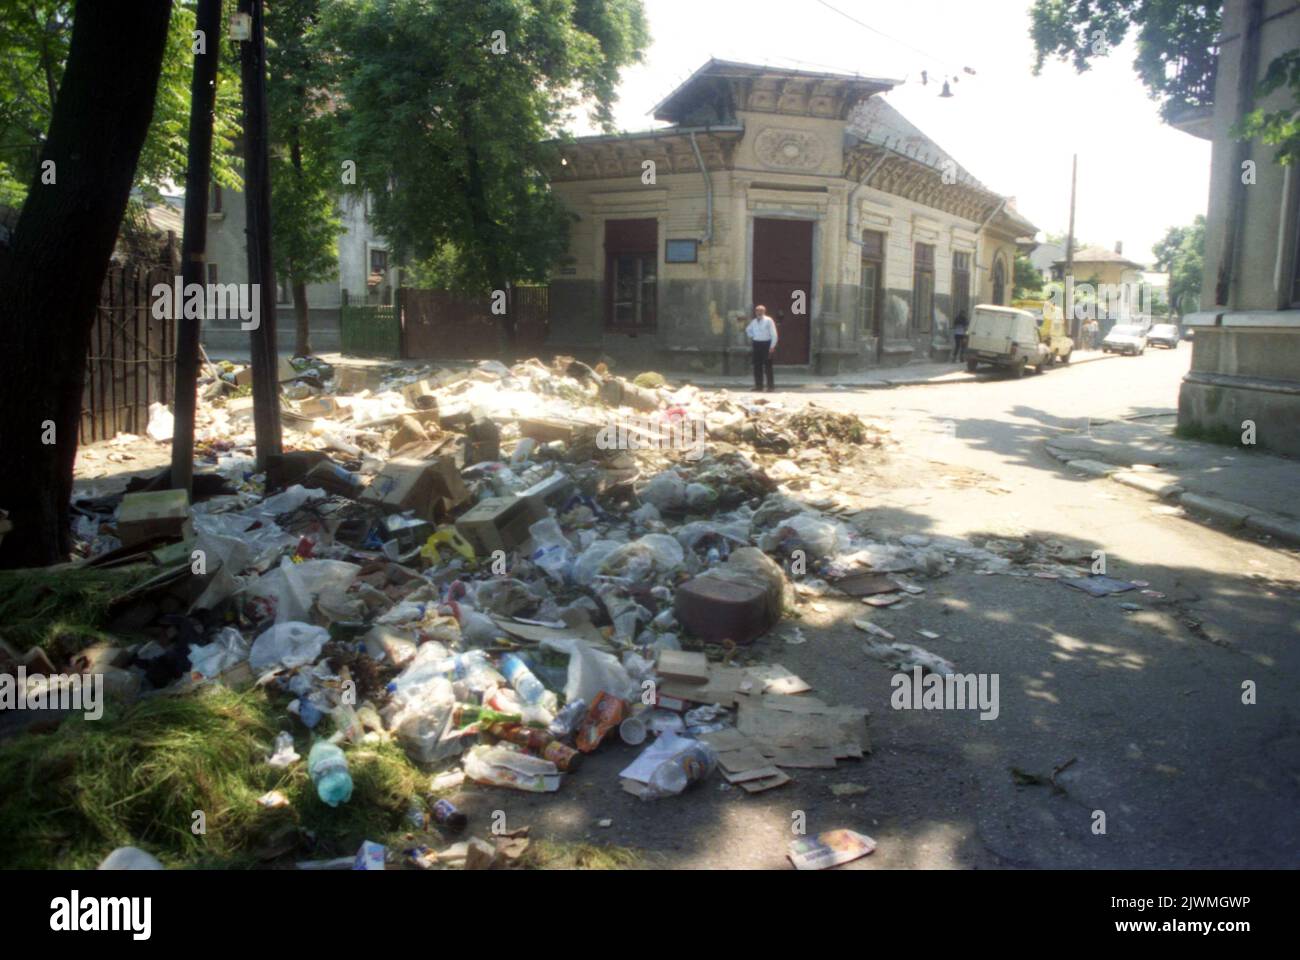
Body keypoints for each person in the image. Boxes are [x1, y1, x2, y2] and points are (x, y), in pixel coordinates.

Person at [745, 304, 778, 392]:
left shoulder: (768, 320)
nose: (759, 312)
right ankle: (758, 386)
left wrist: (772, 346)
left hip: (766, 344)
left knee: (768, 366)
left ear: (764, 311)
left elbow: (774, 334)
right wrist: (753, 336)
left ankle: (770, 387)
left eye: (761, 311)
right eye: (757, 311)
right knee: (757, 366)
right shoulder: (754, 321)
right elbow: (748, 330)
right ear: (755, 312)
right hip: (757, 344)